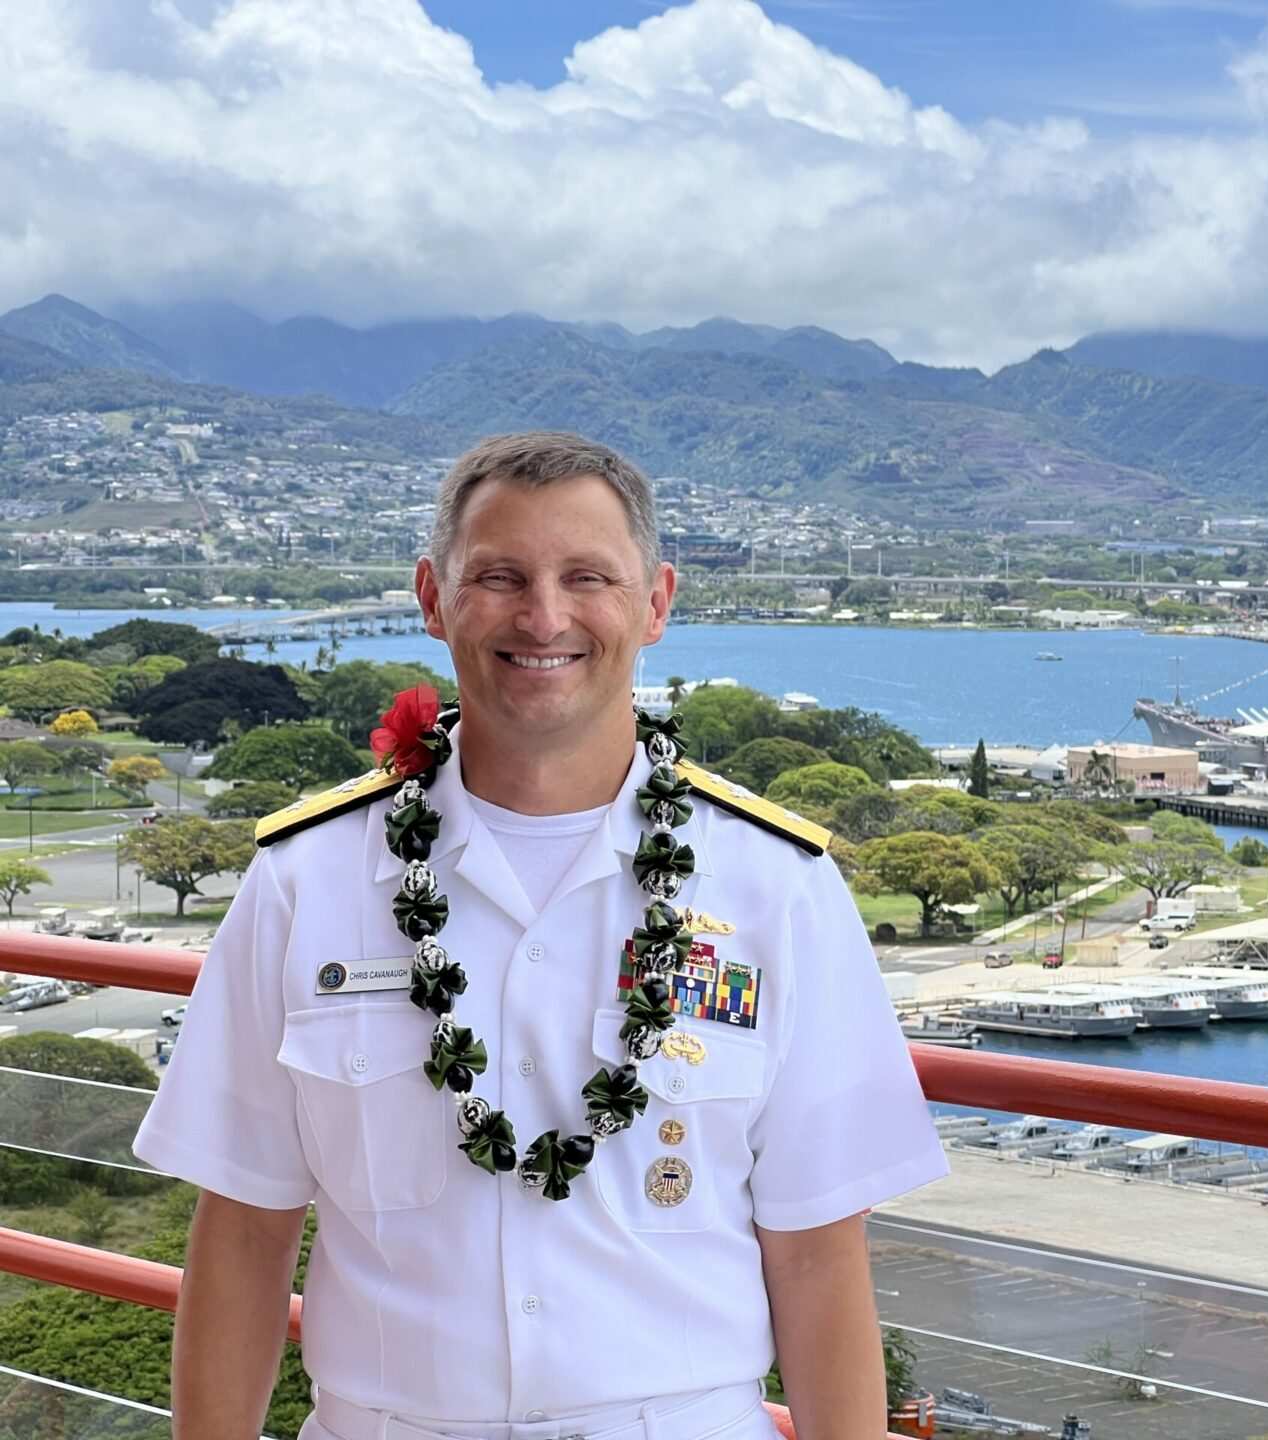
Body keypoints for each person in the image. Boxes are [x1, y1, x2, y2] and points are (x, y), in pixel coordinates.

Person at [133, 431, 949, 1440]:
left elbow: (820, 1253)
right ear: (434, 599)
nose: (545, 616)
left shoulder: (777, 889)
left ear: (656, 603)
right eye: (500, 576)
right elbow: (246, 1231)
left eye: (588, 577)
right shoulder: (307, 881)